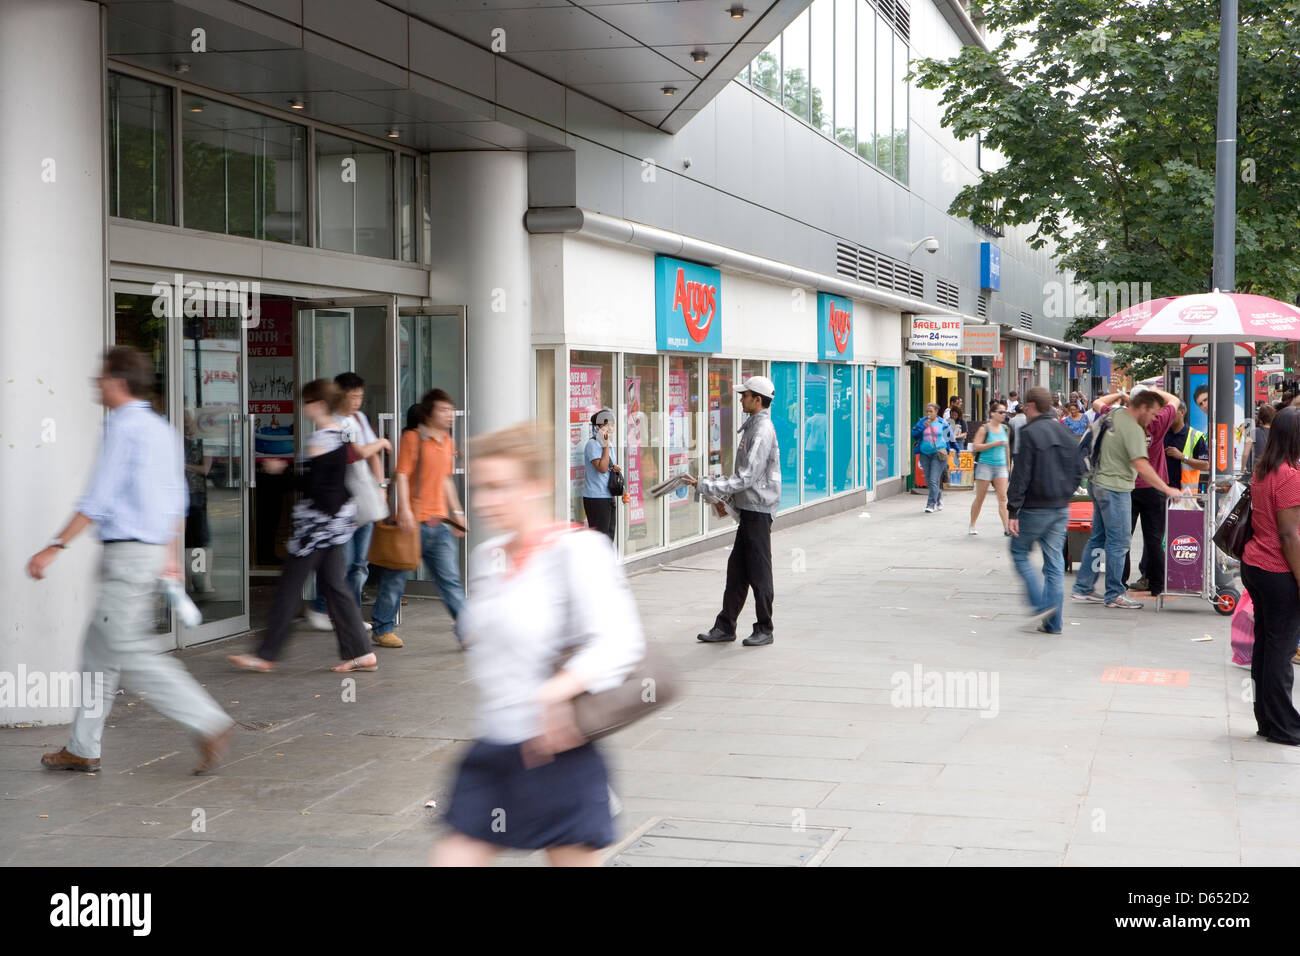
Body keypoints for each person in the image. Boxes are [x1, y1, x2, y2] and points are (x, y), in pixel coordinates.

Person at [432, 422, 645, 866]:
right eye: (481, 488)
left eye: (501, 487)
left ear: (537, 485)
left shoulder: (578, 551)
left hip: (557, 752)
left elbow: (620, 640)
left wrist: (557, 690)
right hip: (495, 749)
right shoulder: (487, 559)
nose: (487, 500)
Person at [27, 347, 234, 773]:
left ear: (118, 382)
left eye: (100, 377)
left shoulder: (122, 428)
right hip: (148, 553)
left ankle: (207, 720)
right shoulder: (163, 430)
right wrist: (171, 558)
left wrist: (54, 545)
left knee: (130, 651)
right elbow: (177, 501)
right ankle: (83, 747)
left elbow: (97, 499)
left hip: (125, 556)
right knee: (97, 655)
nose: (95, 384)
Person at [228, 379, 378, 674]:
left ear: (318, 405)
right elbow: (330, 483)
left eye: (307, 401)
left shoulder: (321, 439)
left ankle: (266, 654)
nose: (303, 406)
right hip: (336, 525)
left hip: (316, 529)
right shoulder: (341, 434)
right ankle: (361, 652)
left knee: (289, 587)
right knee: (336, 588)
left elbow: (313, 486)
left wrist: (278, 471)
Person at [685, 376, 781, 646]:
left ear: (758, 400)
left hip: (758, 511)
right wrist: (721, 495)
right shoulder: (752, 427)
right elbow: (743, 478)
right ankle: (726, 625)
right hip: (750, 508)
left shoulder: (761, 431)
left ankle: (765, 628)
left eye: (745, 395)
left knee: (759, 572)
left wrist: (708, 485)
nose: (741, 399)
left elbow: (746, 478)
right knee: (737, 571)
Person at [370, 388, 467, 648]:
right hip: (413, 524)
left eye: (450, 410)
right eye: (443, 410)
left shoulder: (447, 441)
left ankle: (467, 632)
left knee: (451, 581)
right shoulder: (413, 439)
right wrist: (404, 510)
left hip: (440, 523)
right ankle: (382, 628)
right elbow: (401, 475)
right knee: (395, 579)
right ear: (429, 413)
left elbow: (446, 480)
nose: (449, 415)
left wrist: (457, 512)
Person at [1072, 389, 1184, 609]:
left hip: (1097, 483)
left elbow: (1098, 405)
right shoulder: (1133, 428)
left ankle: (1083, 587)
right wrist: (1167, 488)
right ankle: (1114, 593)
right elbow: (1142, 466)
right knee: (1119, 542)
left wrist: (1119, 395)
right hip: (1116, 488)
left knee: (1099, 537)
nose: (1153, 419)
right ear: (1142, 408)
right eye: (1152, 414)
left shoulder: (1114, 415)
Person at [305, 372, 390, 632]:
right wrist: (382, 442)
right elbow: (359, 453)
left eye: (360, 396)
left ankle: (348, 614)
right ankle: (324, 608)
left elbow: (371, 456)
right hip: (343, 499)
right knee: (341, 560)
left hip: (365, 496)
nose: (357, 401)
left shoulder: (360, 419)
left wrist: (381, 486)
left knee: (359, 564)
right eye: (352, 396)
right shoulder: (332, 425)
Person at [1240, 406, 1300, 746]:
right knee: (1280, 651)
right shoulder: (1290, 475)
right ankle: (1285, 726)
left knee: (1265, 646)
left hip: (1255, 566)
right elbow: (1290, 535)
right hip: (1278, 571)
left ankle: (1266, 719)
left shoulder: (1264, 468)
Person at [1007, 388, 1081, 634]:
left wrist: (1013, 510)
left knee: (1018, 551)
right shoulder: (1066, 431)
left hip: (1036, 506)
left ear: (1029, 406)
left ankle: (1040, 604)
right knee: (1054, 563)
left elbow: (1021, 474)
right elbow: (1080, 468)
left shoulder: (1029, 434)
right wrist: (1065, 492)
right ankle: (1054, 623)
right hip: (1061, 507)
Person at [182, 409, 215, 596]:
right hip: (184, 493)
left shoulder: (203, 440)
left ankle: (204, 580)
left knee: (201, 538)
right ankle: (189, 581)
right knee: (187, 539)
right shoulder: (178, 439)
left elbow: (206, 468)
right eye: (184, 420)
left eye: (188, 420)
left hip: (198, 494)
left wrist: (184, 465)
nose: (187, 423)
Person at [968, 401, 1011, 536]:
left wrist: (1008, 465)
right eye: (1001, 412)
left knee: (1003, 498)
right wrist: (993, 444)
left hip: (1001, 466)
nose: (1003, 415)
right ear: (992, 414)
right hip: (985, 465)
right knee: (980, 497)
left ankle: (1006, 527)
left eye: (1005, 412)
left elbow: (1007, 447)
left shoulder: (1005, 428)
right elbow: (976, 446)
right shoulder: (984, 429)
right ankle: (972, 524)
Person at [582, 408, 621, 542]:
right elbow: (602, 468)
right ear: (599, 427)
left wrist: (614, 468)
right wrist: (605, 446)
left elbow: (608, 466)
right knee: (601, 541)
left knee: (609, 538)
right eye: (608, 425)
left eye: (612, 424)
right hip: (596, 498)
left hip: (608, 496)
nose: (611, 428)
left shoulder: (609, 444)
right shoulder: (593, 444)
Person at [912, 403, 957, 514]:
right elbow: (914, 434)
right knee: (928, 480)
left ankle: (930, 504)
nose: (928, 413)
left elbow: (950, 437)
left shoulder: (942, 423)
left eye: (931, 411)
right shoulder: (922, 422)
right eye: (927, 411)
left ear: (936, 412)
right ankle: (939, 496)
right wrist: (923, 427)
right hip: (924, 454)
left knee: (933, 479)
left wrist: (957, 449)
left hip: (938, 454)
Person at [1163, 404, 1209, 494]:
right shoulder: (1162, 434)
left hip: (1186, 495)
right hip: (1163, 493)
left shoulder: (1195, 436)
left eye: (1171, 412)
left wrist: (1183, 457)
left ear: (1182, 412)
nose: (1168, 416)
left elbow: (1206, 465)